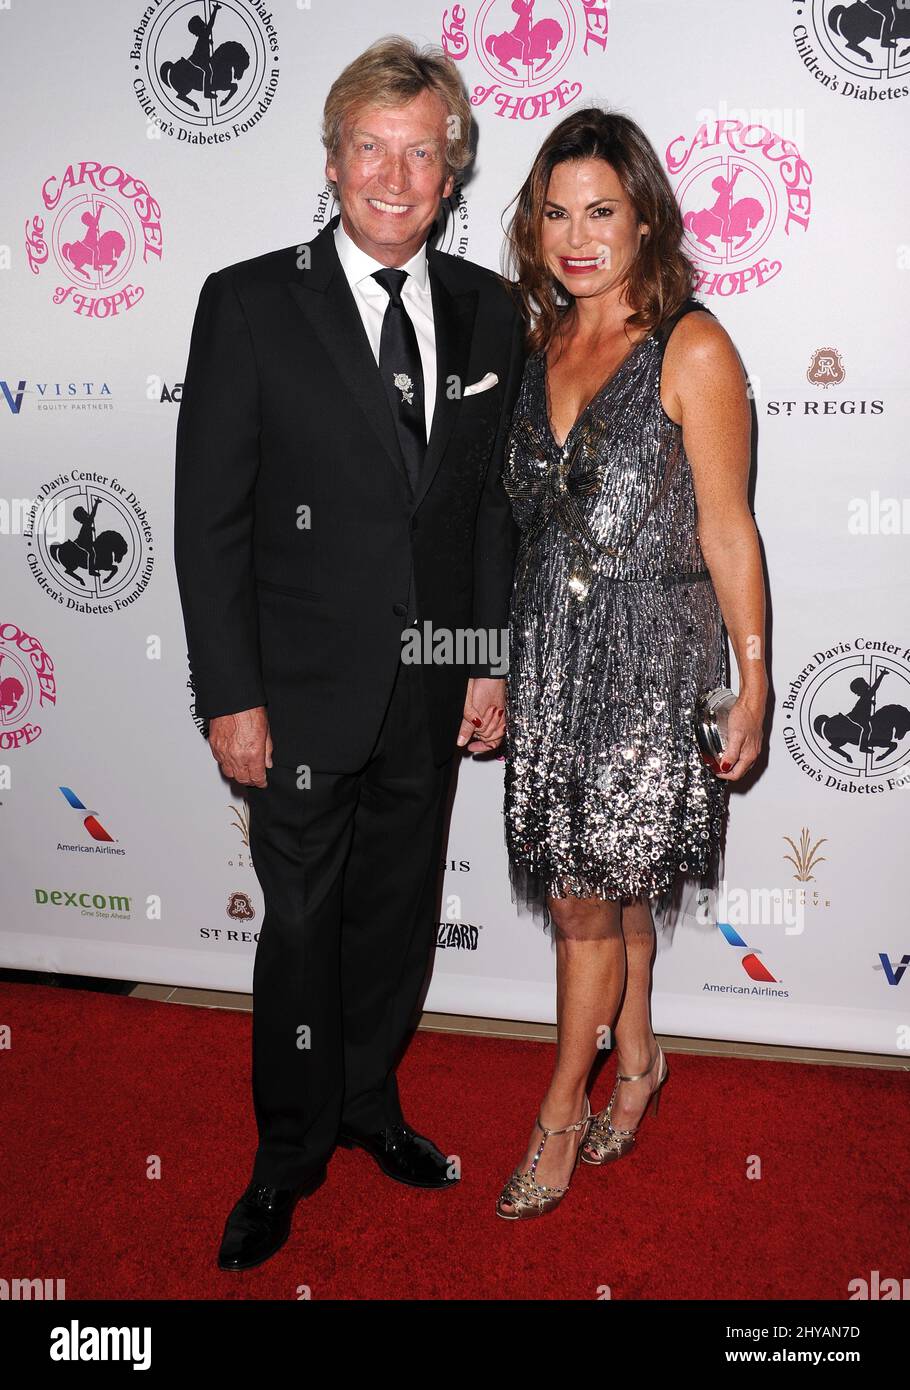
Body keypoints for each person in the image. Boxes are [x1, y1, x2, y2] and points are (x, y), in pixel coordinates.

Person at [174, 35, 525, 1268]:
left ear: (450, 169)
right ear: (331, 163)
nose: (394, 174)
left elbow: (485, 507)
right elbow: (209, 519)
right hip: (298, 697)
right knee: (299, 925)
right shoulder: (249, 301)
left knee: (394, 916)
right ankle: (285, 1155)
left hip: (431, 689)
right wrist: (231, 695)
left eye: (419, 151)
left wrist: (484, 660)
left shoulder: (492, 309)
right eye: (370, 149)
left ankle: (370, 1106)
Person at [495, 108, 767, 1220]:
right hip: (550, 652)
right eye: (555, 212)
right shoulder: (541, 339)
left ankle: (562, 1105)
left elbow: (726, 527)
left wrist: (749, 676)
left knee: (581, 903)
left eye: (600, 210)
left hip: (651, 663)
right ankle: (641, 1055)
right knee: (610, 883)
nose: (576, 234)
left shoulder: (691, 345)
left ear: (645, 214)